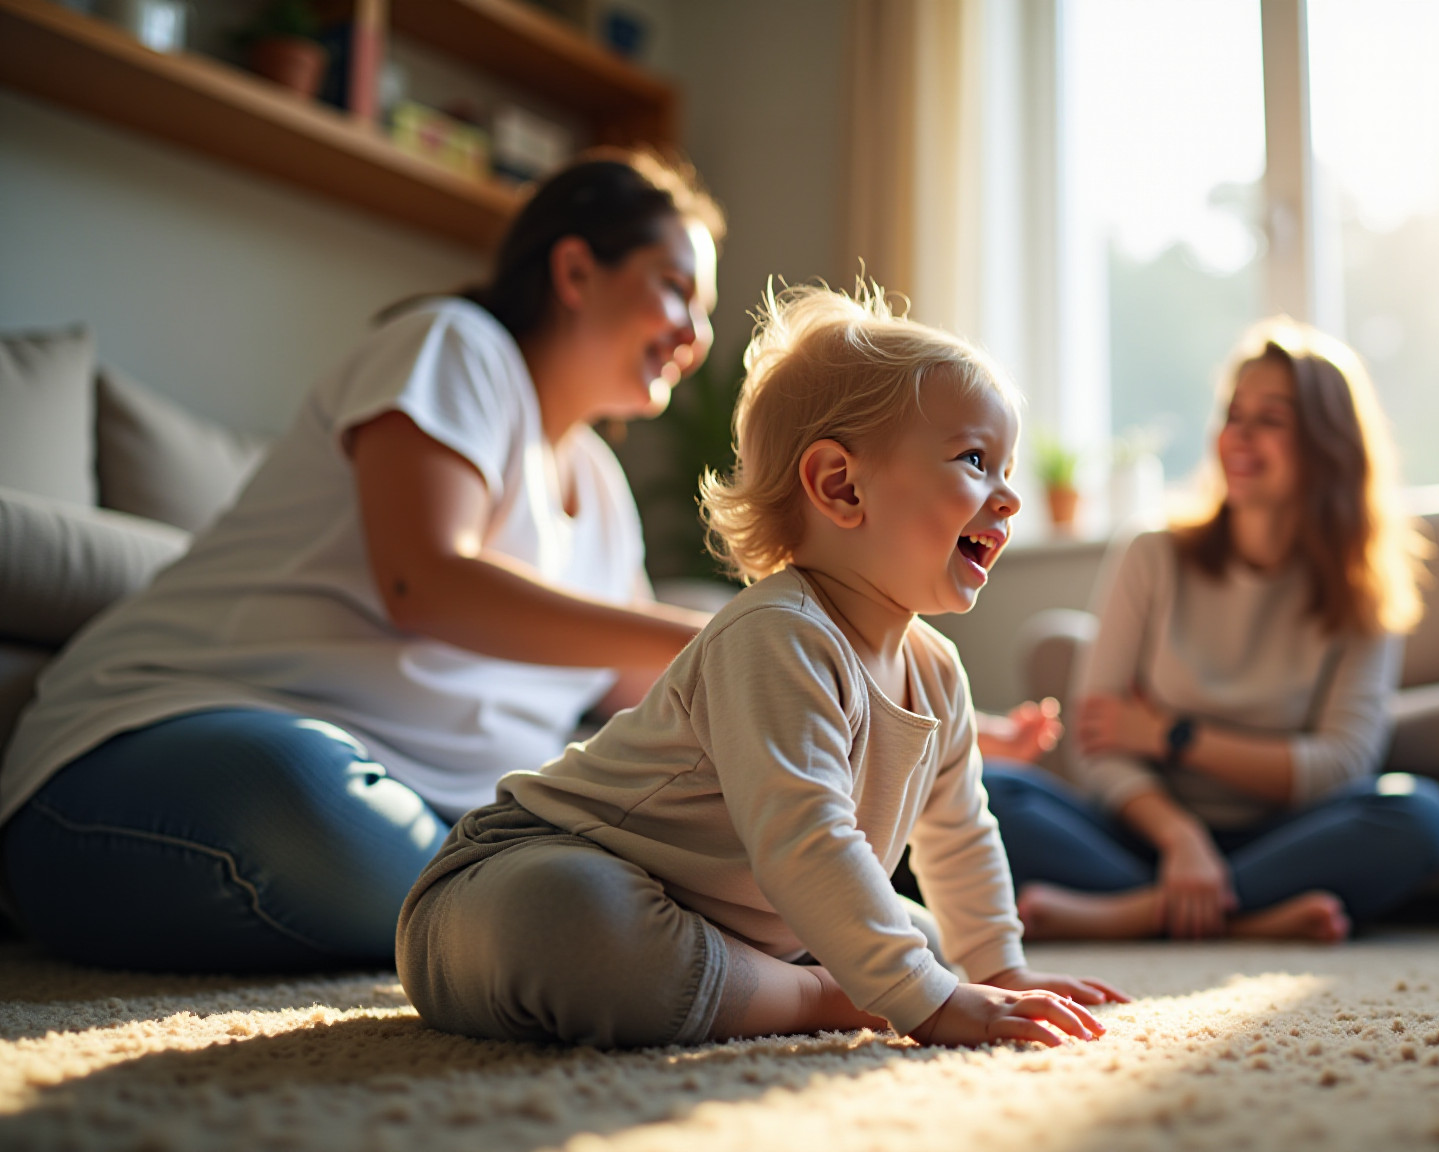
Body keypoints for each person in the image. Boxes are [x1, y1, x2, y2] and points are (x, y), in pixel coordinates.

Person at [0, 152, 724, 973]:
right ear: (574, 270)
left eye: (704, 309)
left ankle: (550, 910)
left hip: (443, 819)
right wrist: (707, 635)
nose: (695, 335)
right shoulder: (456, 346)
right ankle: (534, 909)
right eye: (675, 288)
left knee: (620, 859)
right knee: (307, 793)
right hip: (164, 758)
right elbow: (425, 581)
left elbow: (635, 684)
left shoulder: (600, 480)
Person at [395, 283, 1126, 1050]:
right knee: (576, 919)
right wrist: (928, 1002)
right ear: (841, 486)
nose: (1008, 497)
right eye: (976, 461)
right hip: (515, 877)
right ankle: (821, 995)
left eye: (1007, 468)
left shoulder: (936, 670)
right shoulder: (777, 634)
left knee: (925, 940)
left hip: (737, 924)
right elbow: (807, 840)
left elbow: (959, 835)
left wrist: (1000, 972)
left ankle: (790, 983)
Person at [982, 318, 1439, 943]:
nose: (1239, 436)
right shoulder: (1151, 552)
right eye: (1234, 414)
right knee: (985, 788)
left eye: (1271, 419)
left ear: (1327, 443)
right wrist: (1181, 837)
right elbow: (1099, 743)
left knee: (1421, 814)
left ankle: (1133, 915)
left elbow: (1341, 764)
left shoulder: (1364, 588)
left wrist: (1171, 734)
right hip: (1145, 832)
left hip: (1283, 835)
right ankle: (1245, 918)